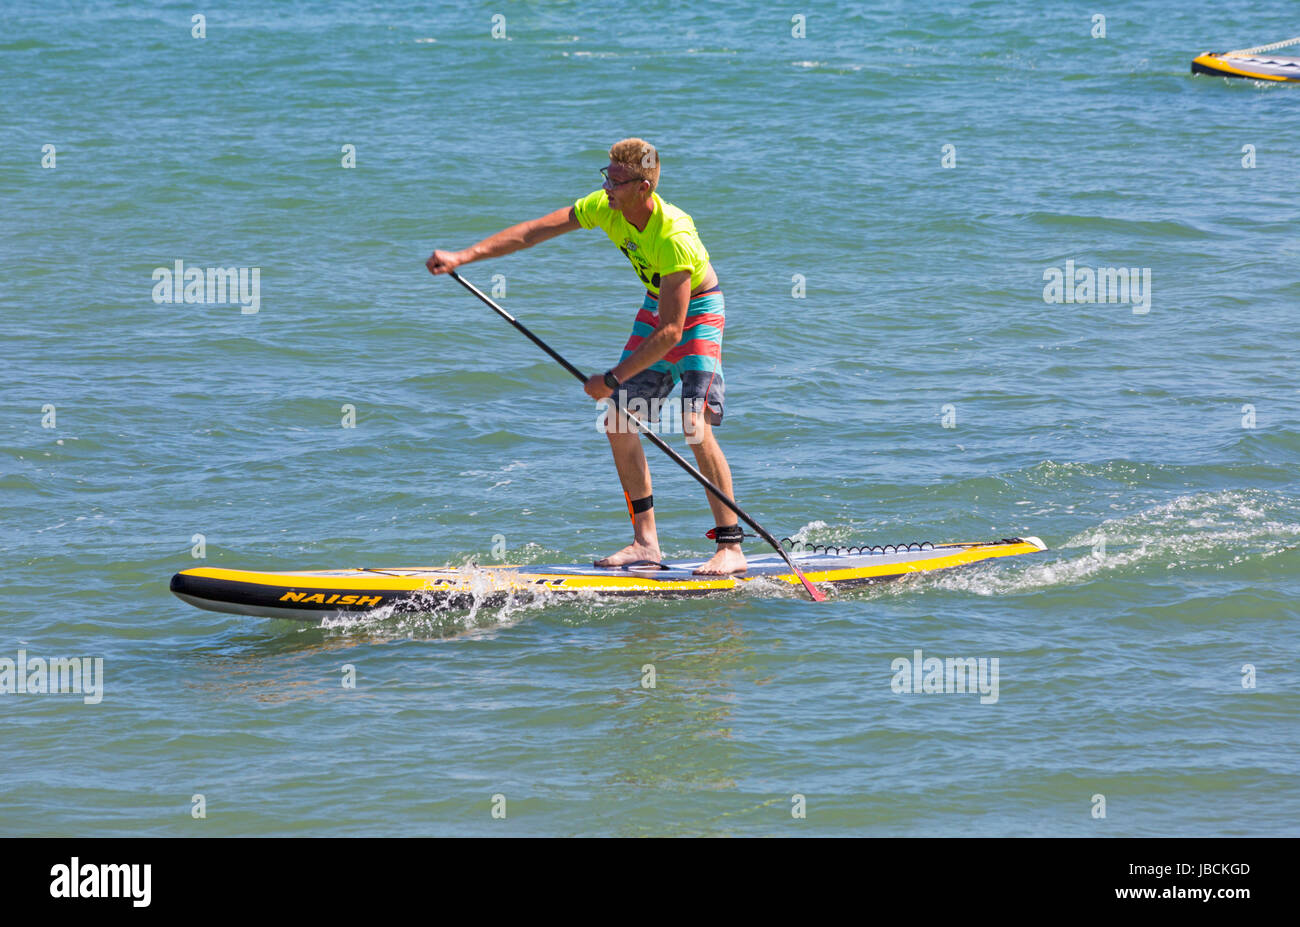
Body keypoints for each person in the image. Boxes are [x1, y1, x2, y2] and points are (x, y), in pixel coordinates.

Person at [426, 138, 745, 575]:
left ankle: (730, 546)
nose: (607, 187)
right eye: (606, 175)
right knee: (619, 418)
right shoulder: (604, 207)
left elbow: (673, 331)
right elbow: (533, 231)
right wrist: (464, 256)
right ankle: (645, 543)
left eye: (617, 180)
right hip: (659, 306)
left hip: (699, 313)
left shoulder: (675, 235)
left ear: (644, 186)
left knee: (693, 425)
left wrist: (612, 378)